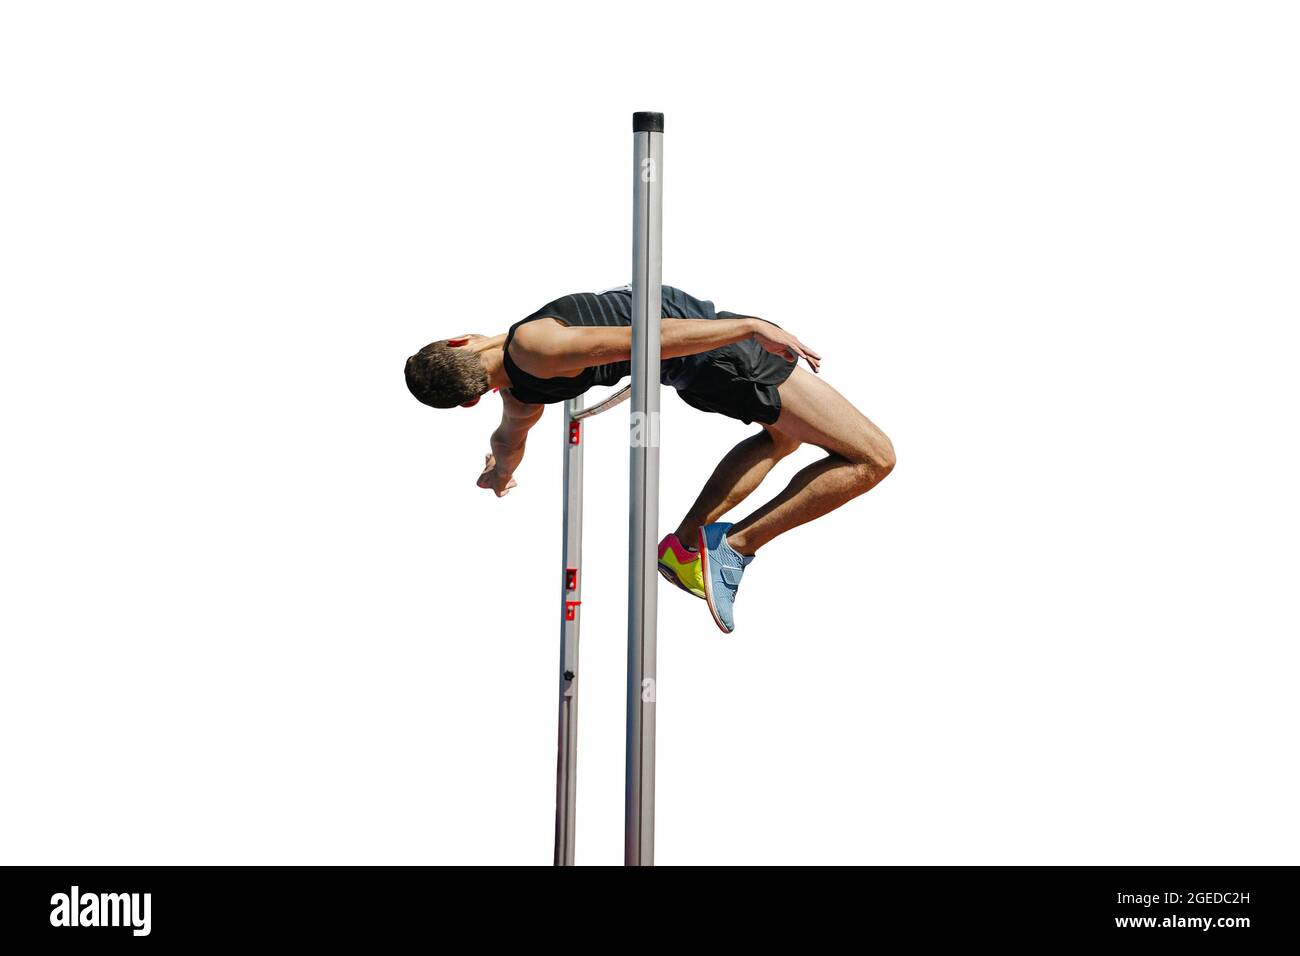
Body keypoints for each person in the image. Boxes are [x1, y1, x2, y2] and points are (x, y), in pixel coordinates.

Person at [404, 285, 895, 632]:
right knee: (873, 457)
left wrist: (498, 474)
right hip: (715, 355)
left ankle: (684, 547)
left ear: (473, 397)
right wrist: (749, 327)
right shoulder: (536, 346)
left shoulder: (520, 394)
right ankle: (736, 547)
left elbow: (508, 441)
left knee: (784, 437)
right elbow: (649, 337)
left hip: (705, 359)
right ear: (458, 340)